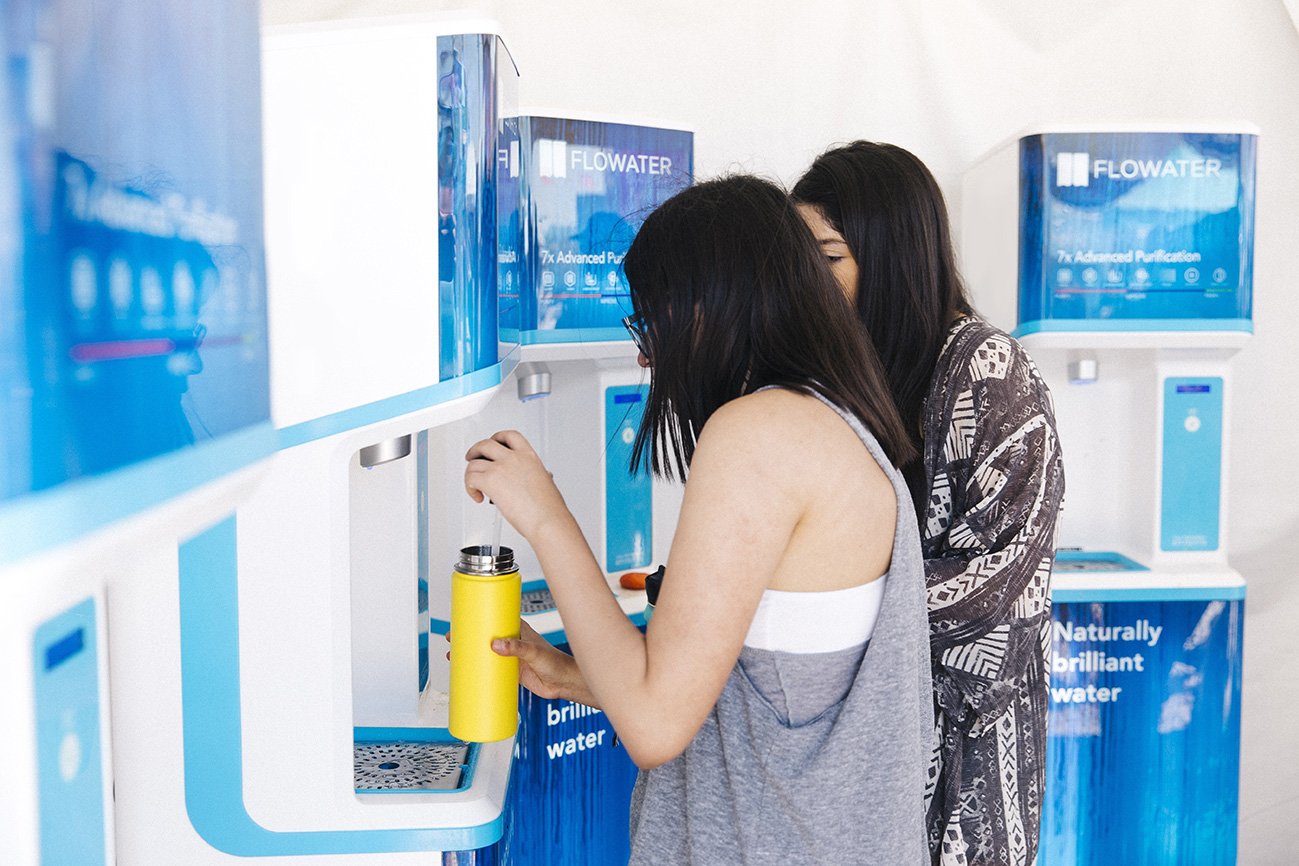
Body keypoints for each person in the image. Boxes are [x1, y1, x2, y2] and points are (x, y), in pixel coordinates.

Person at [465, 175, 934, 864]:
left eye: (648, 321)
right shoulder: (840, 420)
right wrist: (575, 678)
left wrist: (545, 516)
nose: (644, 354)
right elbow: (774, 698)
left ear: (708, 307)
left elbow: (655, 724)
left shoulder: (760, 433)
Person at [792, 141, 1066, 866]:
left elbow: (998, 579)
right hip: (867, 726)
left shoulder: (985, 367)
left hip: (970, 733)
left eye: (825, 262)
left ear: (890, 255)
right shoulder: (837, 374)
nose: (806, 286)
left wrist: (820, 595)